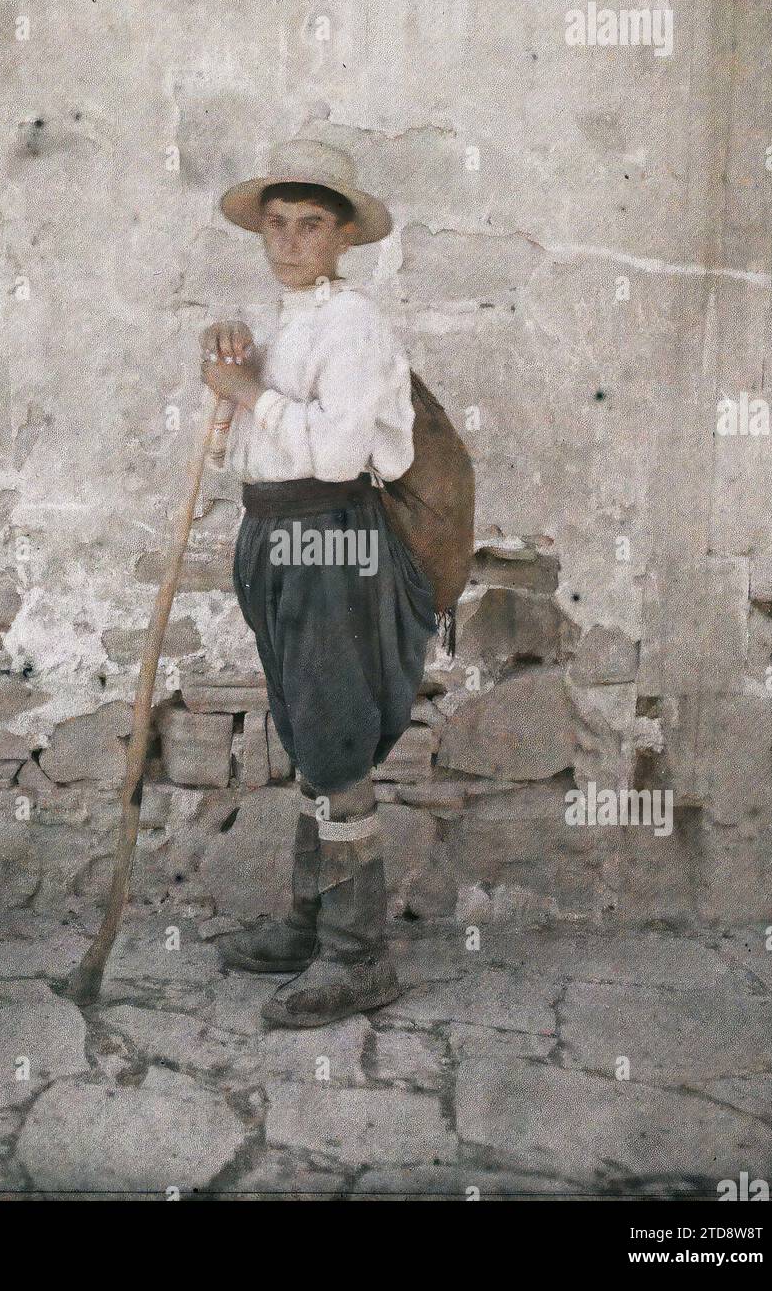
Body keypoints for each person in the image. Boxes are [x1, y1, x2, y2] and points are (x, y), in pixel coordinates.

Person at [198, 140, 437, 1027]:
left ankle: (358, 956)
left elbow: (338, 456)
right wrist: (236, 363)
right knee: (306, 728)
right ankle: (309, 924)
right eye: (277, 225)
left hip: (329, 540)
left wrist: (245, 390)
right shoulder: (292, 321)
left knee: (334, 737)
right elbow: (264, 417)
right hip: (272, 533)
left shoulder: (354, 324)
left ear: (343, 239)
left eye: (311, 226)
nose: (291, 242)